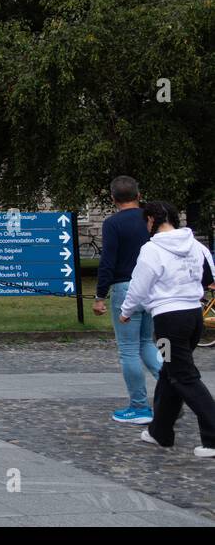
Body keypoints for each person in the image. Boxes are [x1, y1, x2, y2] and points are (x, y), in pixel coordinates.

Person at [119, 200, 215, 457]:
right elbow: (209, 275)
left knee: (183, 376)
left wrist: (126, 311)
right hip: (194, 317)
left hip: (168, 322)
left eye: (146, 221)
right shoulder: (196, 245)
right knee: (170, 373)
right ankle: (160, 431)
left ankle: (213, 436)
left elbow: (138, 286)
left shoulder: (151, 250)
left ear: (151, 219)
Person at [94, 176, 162, 424]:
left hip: (125, 287)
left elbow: (108, 262)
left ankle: (139, 406)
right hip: (153, 288)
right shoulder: (151, 219)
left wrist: (100, 296)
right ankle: (172, 388)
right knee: (147, 342)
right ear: (138, 194)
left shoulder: (113, 223)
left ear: (113, 198)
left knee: (129, 349)